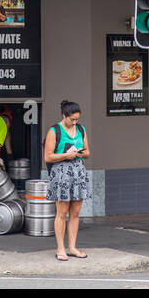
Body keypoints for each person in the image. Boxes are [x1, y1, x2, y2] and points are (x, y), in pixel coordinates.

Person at [44, 100, 90, 261]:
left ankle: (72, 247)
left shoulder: (81, 129)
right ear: (64, 115)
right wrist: (66, 155)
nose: (74, 122)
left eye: (77, 119)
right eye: (72, 119)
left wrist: (80, 153)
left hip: (78, 172)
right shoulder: (54, 131)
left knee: (75, 213)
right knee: (61, 213)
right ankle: (61, 248)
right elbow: (48, 156)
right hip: (61, 173)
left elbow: (88, 152)